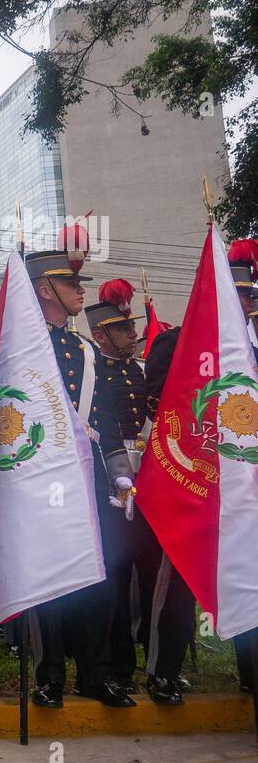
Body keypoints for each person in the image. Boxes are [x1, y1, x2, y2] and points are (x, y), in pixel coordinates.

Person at [24, 232, 138, 709]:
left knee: (101, 573)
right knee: (50, 574)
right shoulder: (23, 346)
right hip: (43, 473)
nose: (80, 290)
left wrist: (120, 474)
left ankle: (95, 672)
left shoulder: (86, 351)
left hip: (88, 475)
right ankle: (49, 674)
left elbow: (106, 420)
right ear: (46, 289)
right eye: (71, 283)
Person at [144, 238, 258, 696]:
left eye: (250, 295)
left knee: (249, 572)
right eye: (238, 296)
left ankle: (250, 673)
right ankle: (162, 669)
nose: (245, 303)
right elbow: (157, 403)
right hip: (193, 473)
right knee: (177, 581)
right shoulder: (178, 342)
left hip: (246, 480)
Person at [85, 279, 161, 700]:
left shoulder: (140, 371)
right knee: (114, 578)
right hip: (113, 482)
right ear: (101, 335)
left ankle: (154, 661)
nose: (133, 335)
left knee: (148, 576)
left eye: (132, 328)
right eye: (124, 329)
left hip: (146, 478)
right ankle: (118, 665)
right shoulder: (94, 372)